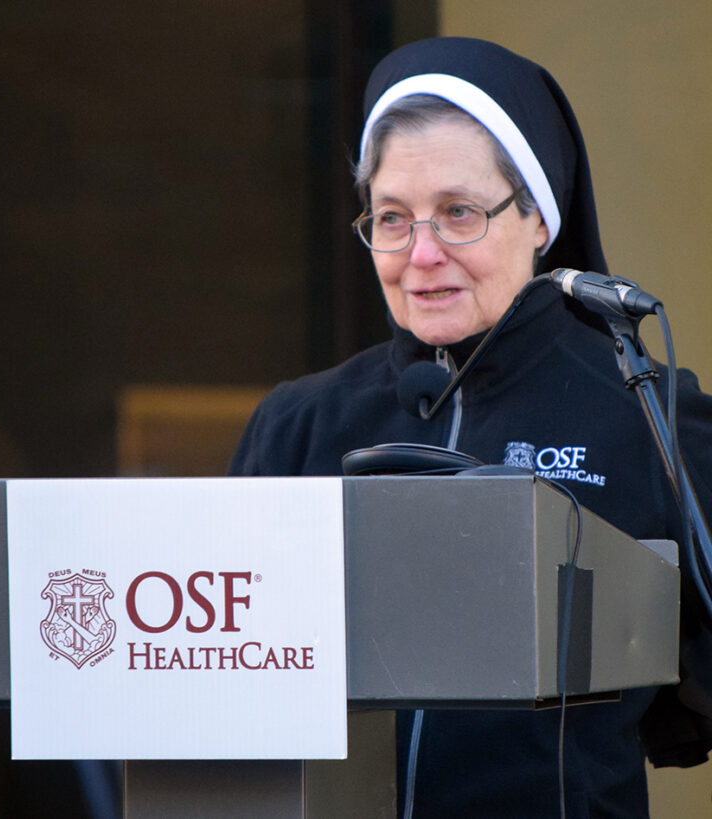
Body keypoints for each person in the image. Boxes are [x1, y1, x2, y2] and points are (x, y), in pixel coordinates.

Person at [229, 37, 712, 817]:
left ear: (538, 218)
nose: (421, 254)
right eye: (392, 218)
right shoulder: (297, 423)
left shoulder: (646, 411)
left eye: (458, 213)